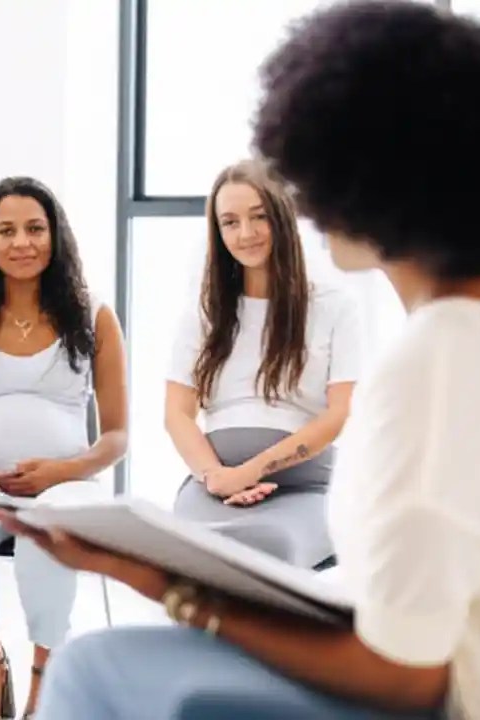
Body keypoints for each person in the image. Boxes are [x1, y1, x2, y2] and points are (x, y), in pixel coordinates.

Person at [0, 2, 480, 718]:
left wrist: (169, 587)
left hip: (443, 699)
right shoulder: (479, 342)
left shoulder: (436, 364)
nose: (309, 209)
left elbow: (407, 674)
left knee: (94, 666)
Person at [0, 176, 129, 720]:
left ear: (55, 236)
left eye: (35, 229)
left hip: (64, 487)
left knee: (46, 535)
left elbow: (116, 438)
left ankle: (45, 674)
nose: (22, 242)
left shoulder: (94, 316)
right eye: (7, 231)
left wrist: (62, 471)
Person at [166, 159, 361, 568]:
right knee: (183, 554)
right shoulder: (203, 315)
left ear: (282, 218)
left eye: (259, 217)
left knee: (269, 551)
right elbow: (177, 415)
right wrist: (215, 477)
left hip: (305, 488)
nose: (246, 233)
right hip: (214, 485)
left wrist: (251, 470)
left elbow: (339, 415)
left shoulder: (333, 307)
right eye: (230, 222)